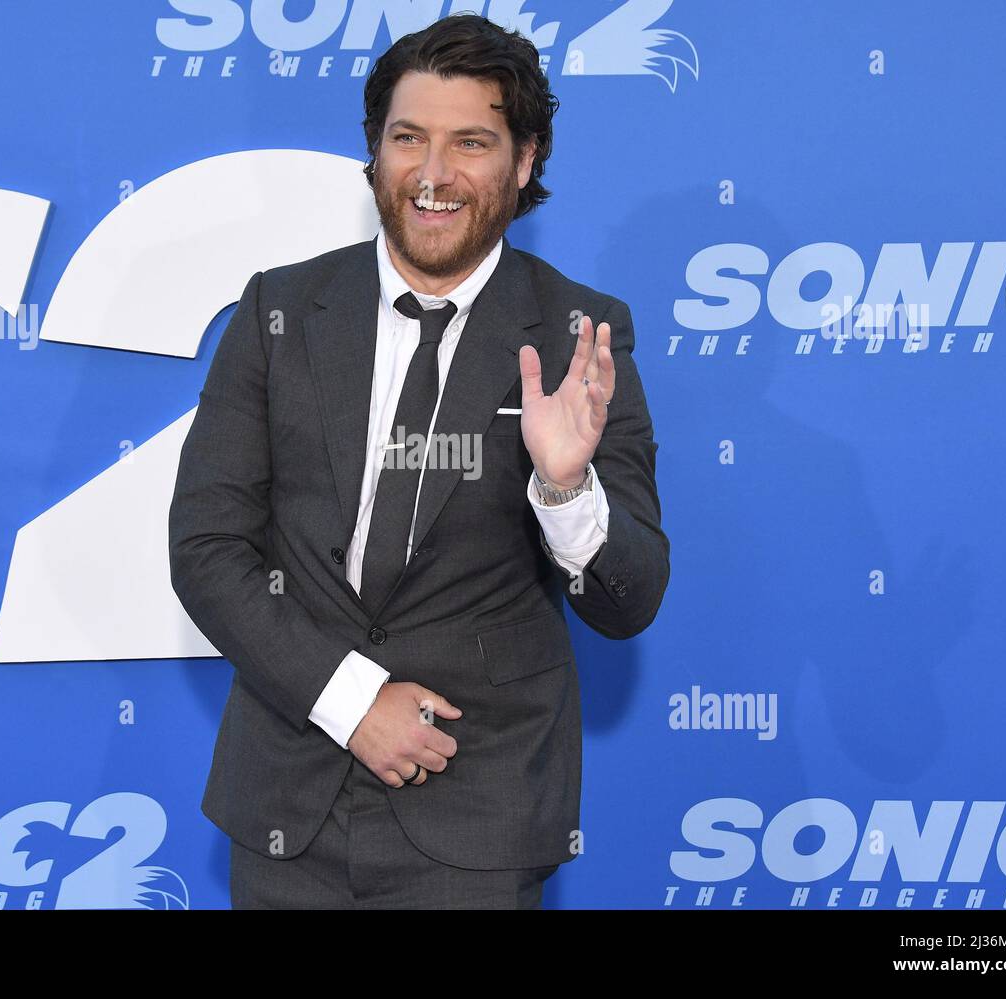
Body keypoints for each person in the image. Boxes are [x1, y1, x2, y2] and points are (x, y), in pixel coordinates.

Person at [168, 12, 669, 909]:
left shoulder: (578, 335)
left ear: (523, 163)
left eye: (470, 142)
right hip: (287, 799)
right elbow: (206, 548)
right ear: (374, 153)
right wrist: (351, 700)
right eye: (409, 139)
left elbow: (630, 602)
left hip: (476, 812)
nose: (433, 175)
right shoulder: (278, 311)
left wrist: (562, 484)